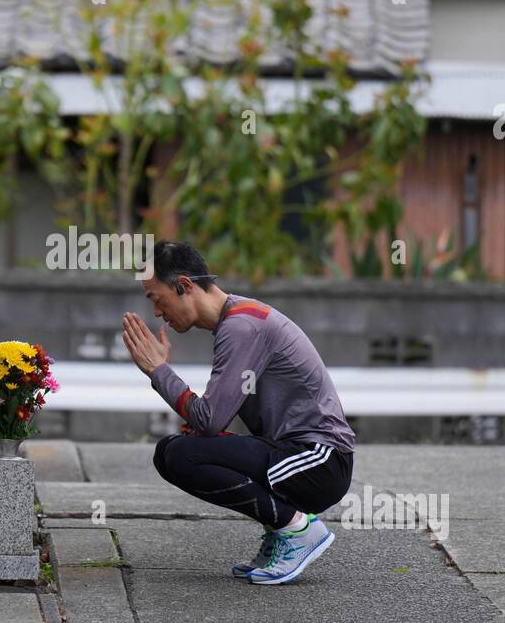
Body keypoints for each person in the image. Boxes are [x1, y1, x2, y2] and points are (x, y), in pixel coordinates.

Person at [121, 240, 355, 585]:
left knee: (180, 455)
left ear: (184, 286)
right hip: (294, 454)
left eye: (155, 298)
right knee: (171, 451)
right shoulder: (235, 321)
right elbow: (211, 421)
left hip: (321, 461)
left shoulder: (242, 326)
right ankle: (284, 530)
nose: (156, 312)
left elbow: (209, 419)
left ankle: (297, 530)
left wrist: (160, 372)